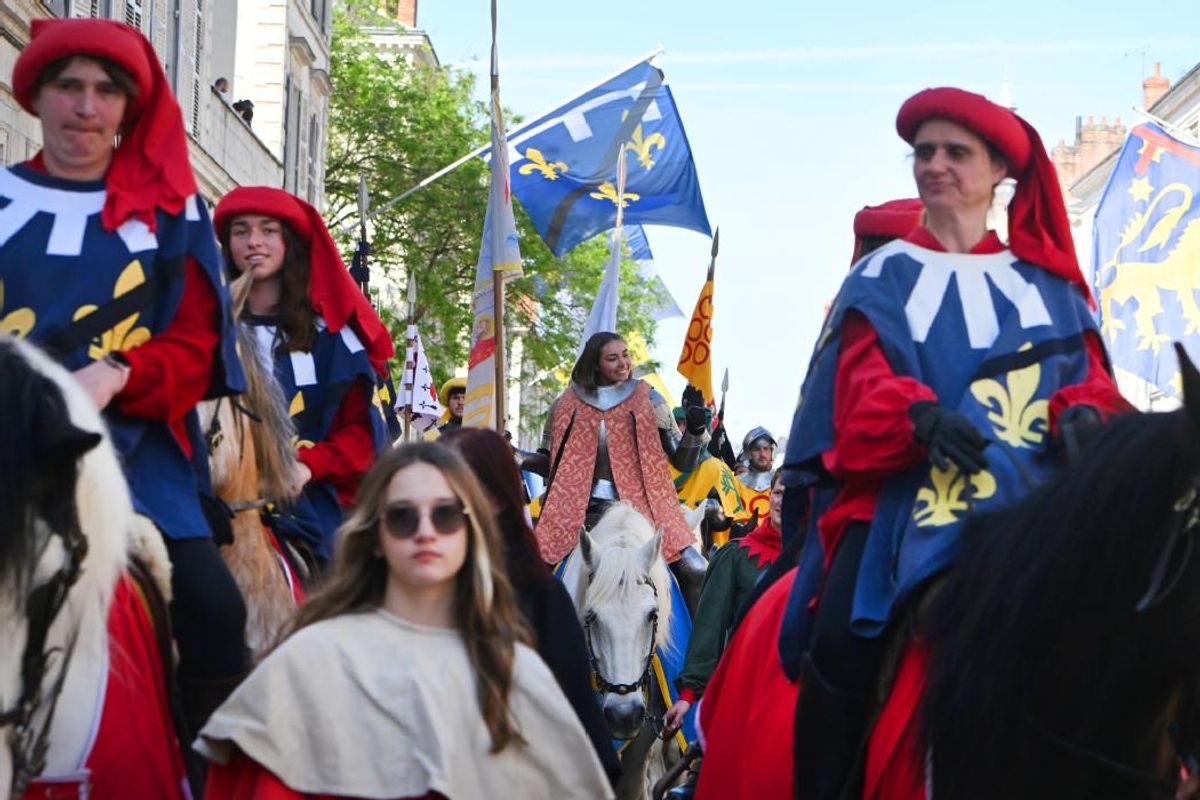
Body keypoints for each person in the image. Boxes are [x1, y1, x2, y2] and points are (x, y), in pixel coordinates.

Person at [780, 87, 1132, 799]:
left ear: (999, 167)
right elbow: (856, 390)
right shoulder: (879, 277)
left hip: (1034, 504)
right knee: (841, 645)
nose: (935, 165)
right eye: (924, 152)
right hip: (902, 502)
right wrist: (918, 419)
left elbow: (1088, 380)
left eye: (956, 152)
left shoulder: (1051, 286)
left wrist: (1084, 416)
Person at [0, 17, 249, 737]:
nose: (86, 107)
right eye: (68, 87)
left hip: (133, 456)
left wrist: (116, 374)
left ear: (127, 108)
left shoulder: (172, 216)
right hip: (5, 445)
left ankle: (204, 773)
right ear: (37, 96)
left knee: (213, 609)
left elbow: (199, 341)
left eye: (106, 91)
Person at [196, 442, 613, 800]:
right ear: (376, 535)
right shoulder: (309, 659)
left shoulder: (513, 669)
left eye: (446, 515)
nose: (426, 532)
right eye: (402, 516)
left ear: (471, 532)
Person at [213, 186, 393, 564]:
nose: (253, 242)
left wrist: (307, 466)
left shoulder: (332, 340)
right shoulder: (206, 329)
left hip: (307, 505)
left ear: (288, 243)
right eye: (241, 231)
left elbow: (363, 439)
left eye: (268, 230)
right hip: (212, 498)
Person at [439, 426, 622, 788]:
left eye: (450, 488)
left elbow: (575, 729)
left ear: (494, 499)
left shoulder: (540, 597)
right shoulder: (398, 592)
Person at [525, 331, 709, 611]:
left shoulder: (651, 399)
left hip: (643, 513)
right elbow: (550, 463)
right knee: (522, 574)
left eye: (625, 354)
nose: (623, 363)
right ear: (595, 363)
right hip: (576, 514)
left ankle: (701, 653)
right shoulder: (566, 402)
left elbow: (682, 463)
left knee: (696, 569)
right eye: (612, 358)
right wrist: (513, 455)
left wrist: (695, 432)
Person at [665, 469, 785, 734]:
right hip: (744, 686)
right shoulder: (737, 556)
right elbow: (710, 625)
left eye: (792, 494)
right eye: (777, 492)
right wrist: (688, 695)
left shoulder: (818, 556)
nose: (782, 501)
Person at [670, 386, 755, 551]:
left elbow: (730, 522)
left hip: (695, 543)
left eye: (685, 423)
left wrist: (713, 508)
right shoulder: (654, 460)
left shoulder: (715, 467)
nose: (680, 429)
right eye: (676, 423)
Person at [735, 426, 777, 522]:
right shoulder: (734, 484)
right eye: (757, 449)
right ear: (748, 453)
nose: (762, 454)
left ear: (771, 452)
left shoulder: (783, 482)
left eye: (766, 449)